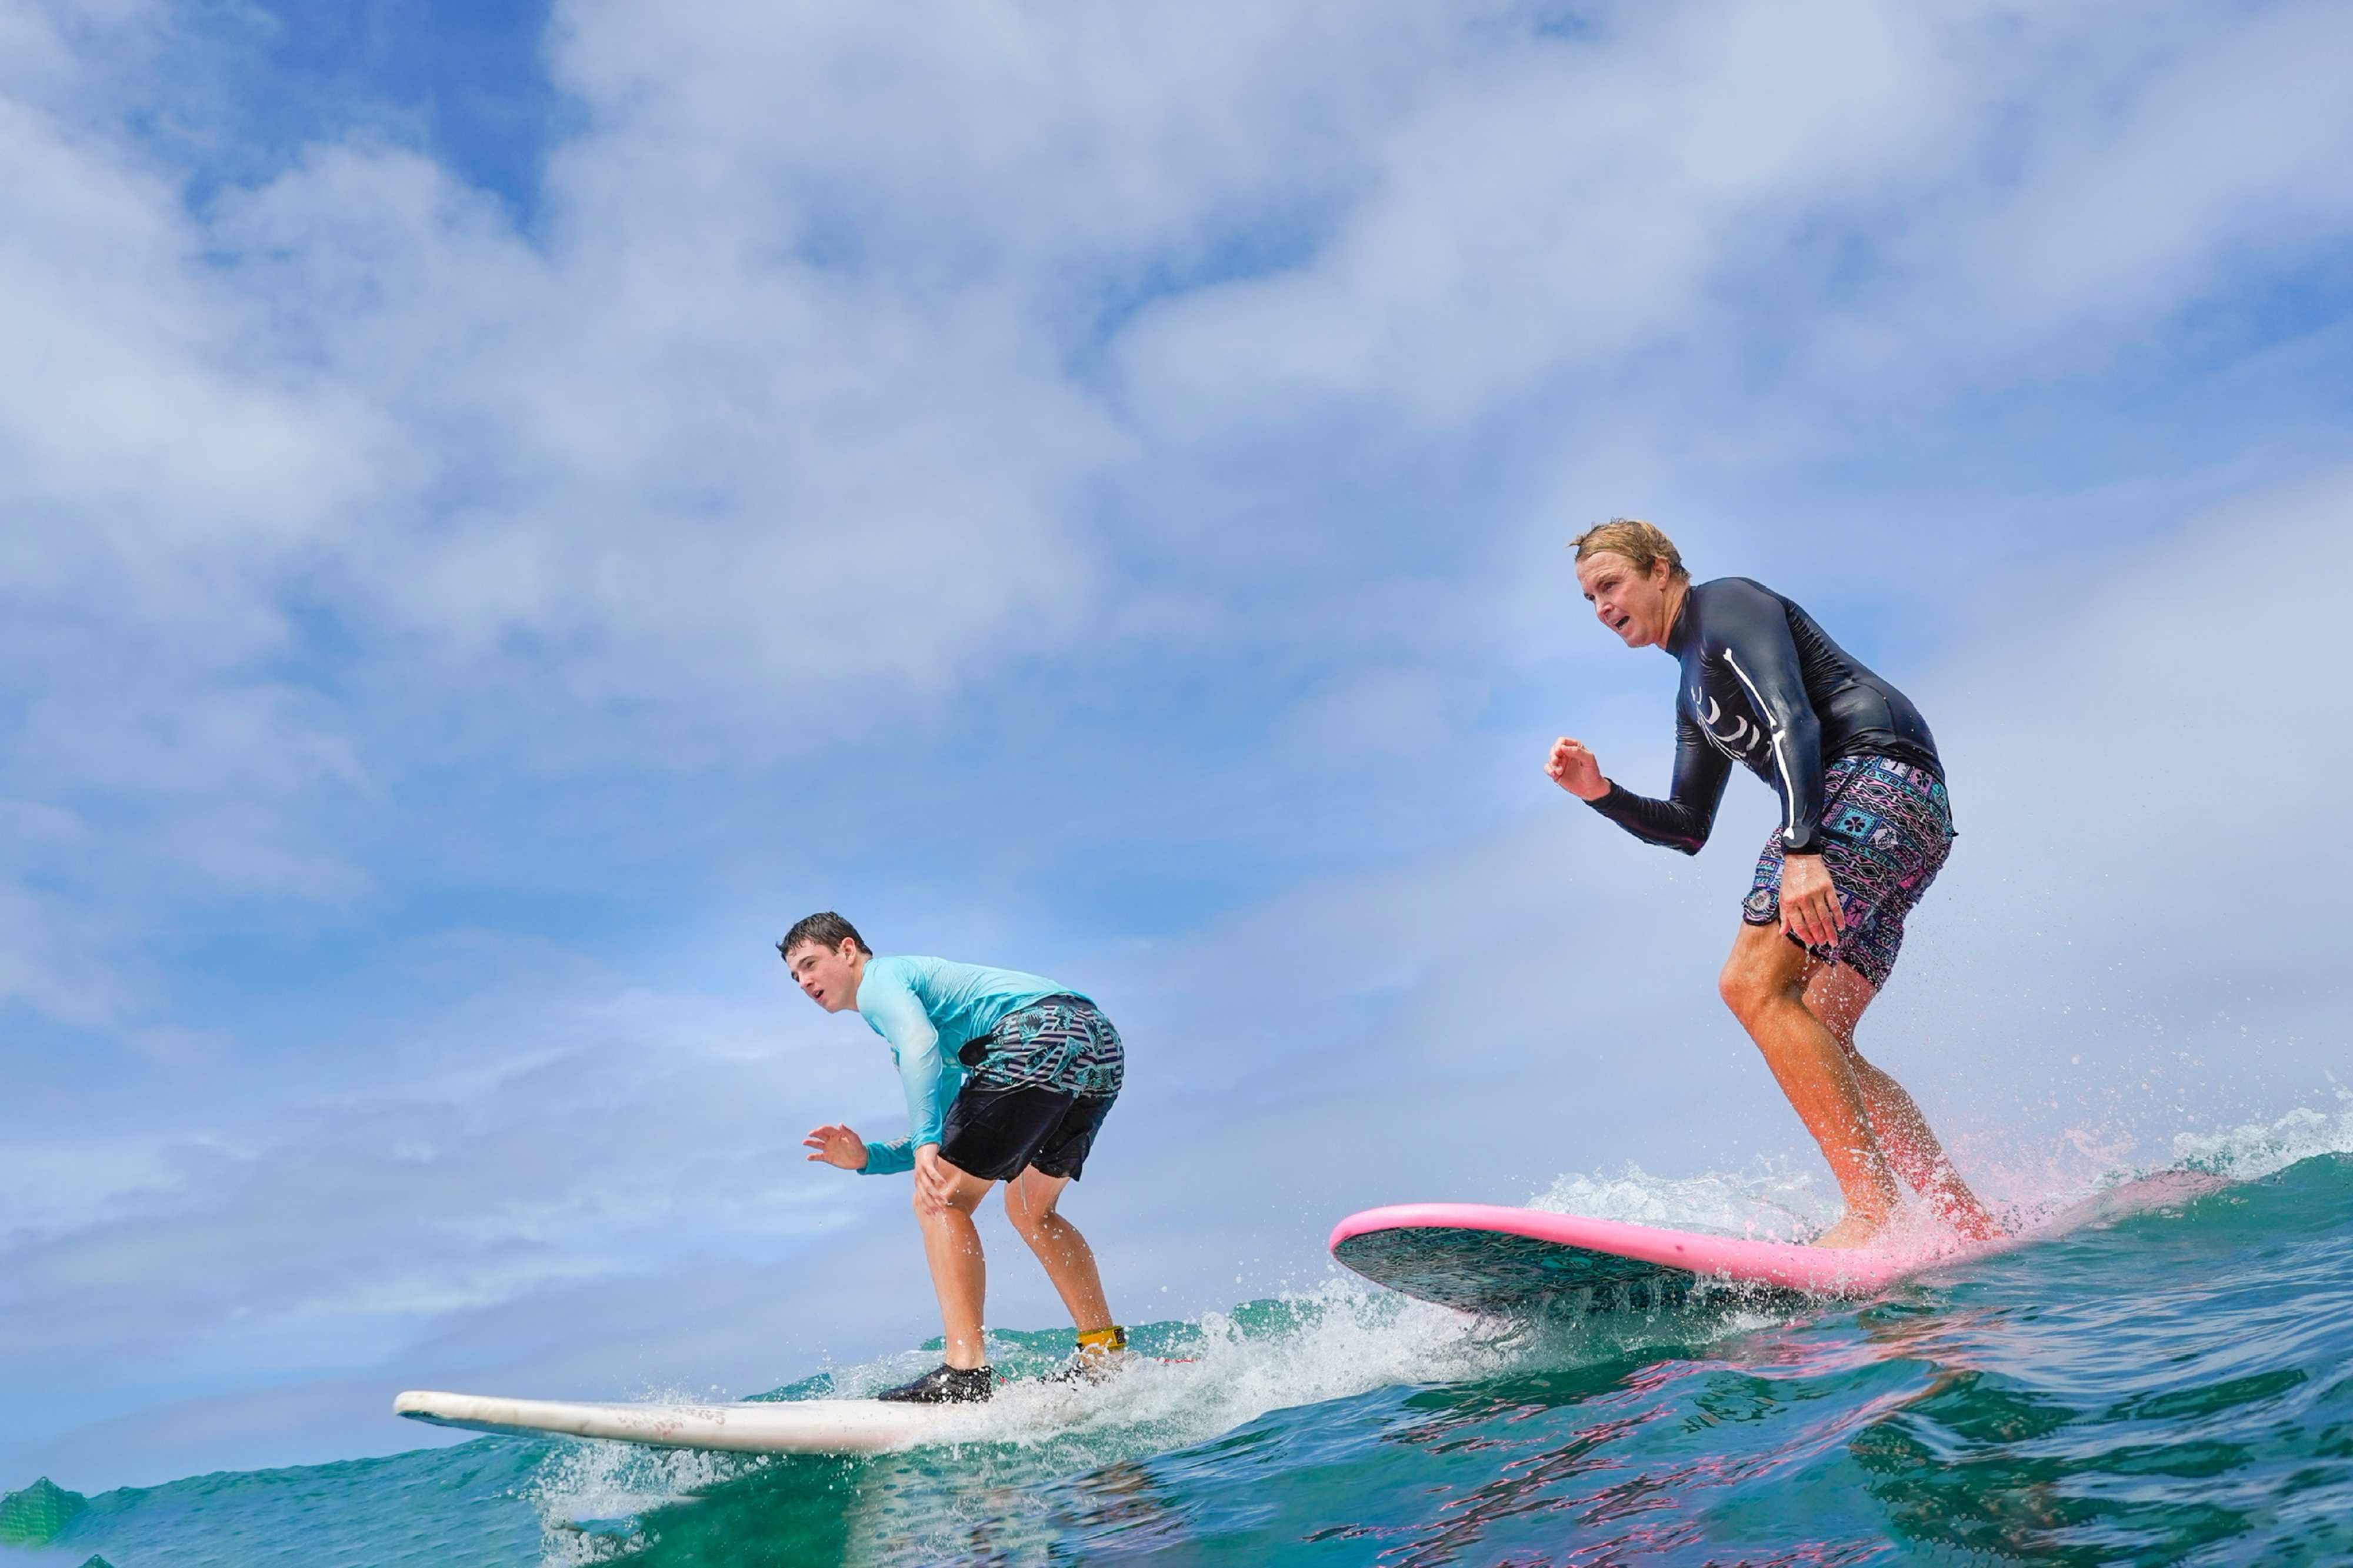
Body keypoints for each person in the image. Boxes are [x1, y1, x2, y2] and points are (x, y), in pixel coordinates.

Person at [1545, 519, 2000, 1249]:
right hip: (1914, 812)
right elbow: (1688, 825)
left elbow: (1793, 718)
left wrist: (1803, 849)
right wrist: (1600, 792)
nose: (1601, 606)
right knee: (1819, 1027)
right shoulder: (1692, 685)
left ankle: (1871, 1213)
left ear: (1659, 569)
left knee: (1751, 984)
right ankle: (1966, 1224)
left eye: (1610, 584)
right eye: (1589, 598)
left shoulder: (1725, 606)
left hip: (1870, 779)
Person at [784, 911, 1128, 1402]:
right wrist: (870, 1158)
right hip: (1095, 1040)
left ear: (847, 950)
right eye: (795, 976)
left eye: (810, 964)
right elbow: (952, 1128)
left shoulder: (880, 984)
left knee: (937, 1201)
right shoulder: (928, 1016)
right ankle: (1103, 1355)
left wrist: (926, 1142)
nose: (804, 982)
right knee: (1031, 1210)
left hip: (1034, 1032)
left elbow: (921, 1058)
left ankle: (964, 1372)